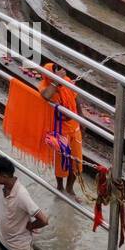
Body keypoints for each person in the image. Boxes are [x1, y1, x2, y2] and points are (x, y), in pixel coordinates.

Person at [0, 155, 47, 250]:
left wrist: (31, 226)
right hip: (3, 241)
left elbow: (44, 220)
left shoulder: (22, 195)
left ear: (4, 176)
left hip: (19, 249)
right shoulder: (0, 185)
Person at [40, 64, 83, 196]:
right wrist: (55, 81)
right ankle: (60, 187)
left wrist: (82, 121)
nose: (58, 72)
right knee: (61, 163)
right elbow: (46, 96)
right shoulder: (44, 85)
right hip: (60, 130)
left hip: (74, 127)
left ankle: (70, 188)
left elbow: (77, 100)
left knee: (77, 163)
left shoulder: (68, 82)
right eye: (54, 71)